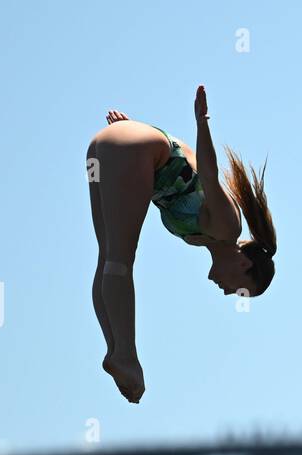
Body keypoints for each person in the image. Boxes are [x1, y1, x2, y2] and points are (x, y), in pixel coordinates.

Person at [86, 86, 276, 403]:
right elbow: (209, 173)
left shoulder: (198, 239)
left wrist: (129, 130)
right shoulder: (228, 226)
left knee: (109, 258)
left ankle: (117, 352)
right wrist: (202, 123)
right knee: (118, 261)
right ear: (244, 264)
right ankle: (126, 357)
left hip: (112, 147)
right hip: (131, 149)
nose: (229, 292)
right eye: (239, 289)